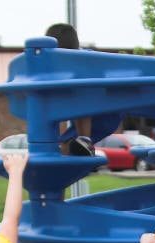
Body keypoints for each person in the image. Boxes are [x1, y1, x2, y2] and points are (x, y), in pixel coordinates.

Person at [45, 23, 94, 156]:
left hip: (90, 109)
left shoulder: (47, 64)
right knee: (82, 102)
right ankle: (83, 141)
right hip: (88, 107)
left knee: (82, 100)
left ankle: (81, 142)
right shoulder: (86, 59)